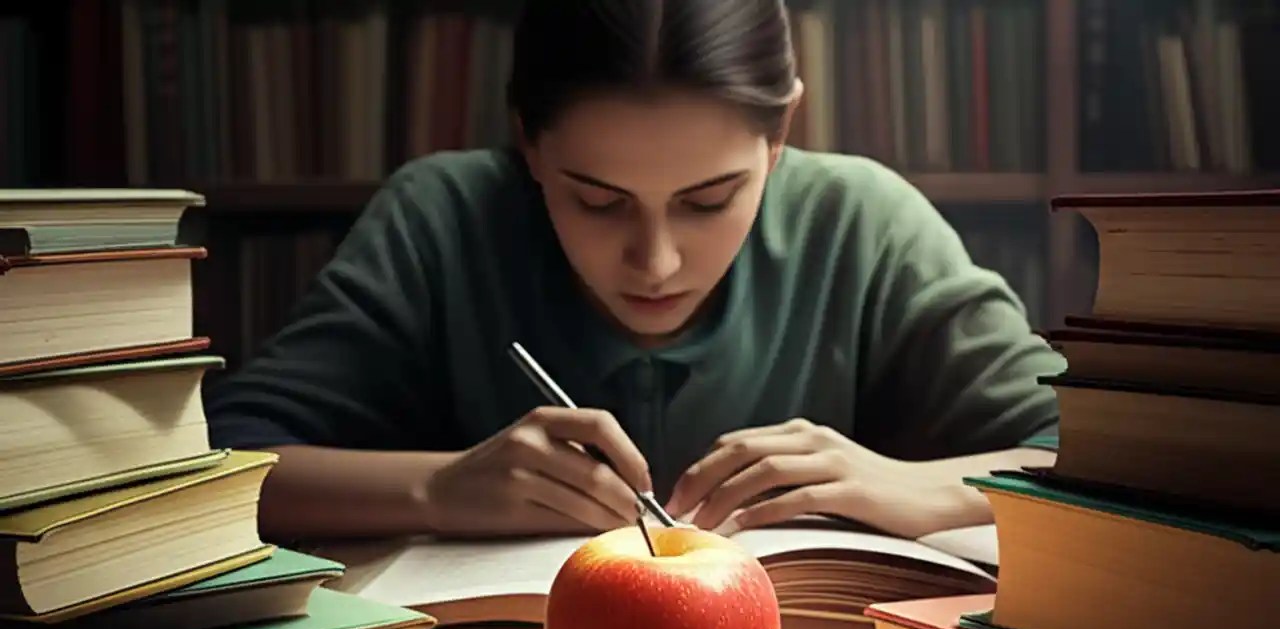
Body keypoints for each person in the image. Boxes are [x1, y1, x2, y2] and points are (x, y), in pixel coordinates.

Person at [205, 0, 1065, 544]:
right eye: (598, 200)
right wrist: (435, 488)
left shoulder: (862, 223)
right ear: (529, 143)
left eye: (710, 198)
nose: (655, 263)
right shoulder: (444, 219)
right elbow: (213, 469)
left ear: (780, 138)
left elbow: (1101, 455)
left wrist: (919, 486)